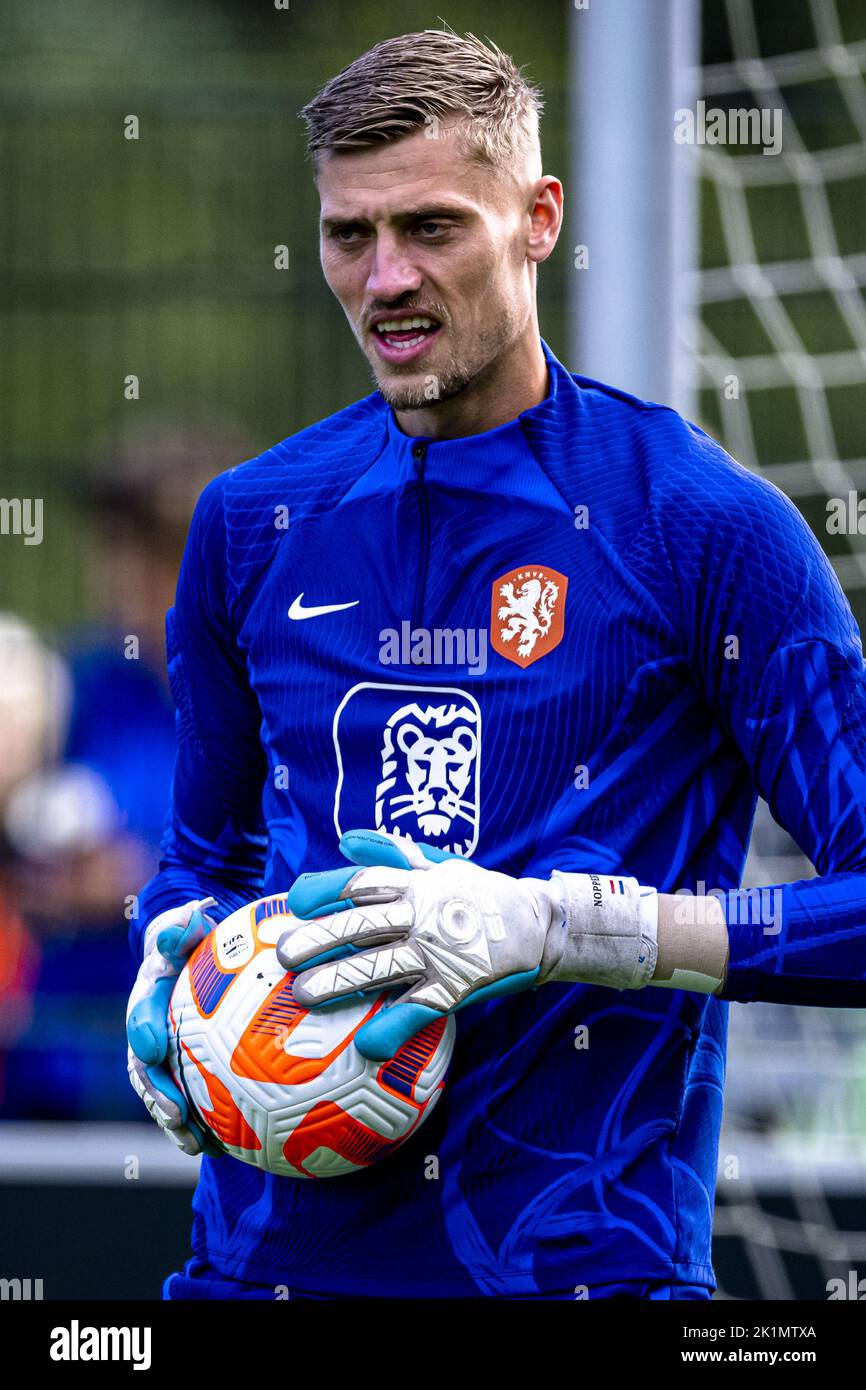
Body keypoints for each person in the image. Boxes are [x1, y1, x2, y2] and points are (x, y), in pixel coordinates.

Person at [127, 29, 866, 1300]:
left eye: (431, 228)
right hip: (254, 1276)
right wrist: (164, 953)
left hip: (579, 1277)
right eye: (348, 236)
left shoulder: (698, 528)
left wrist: (563, 927)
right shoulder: (251, 521)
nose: (384, 279)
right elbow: (208, 854)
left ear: (538, 220)